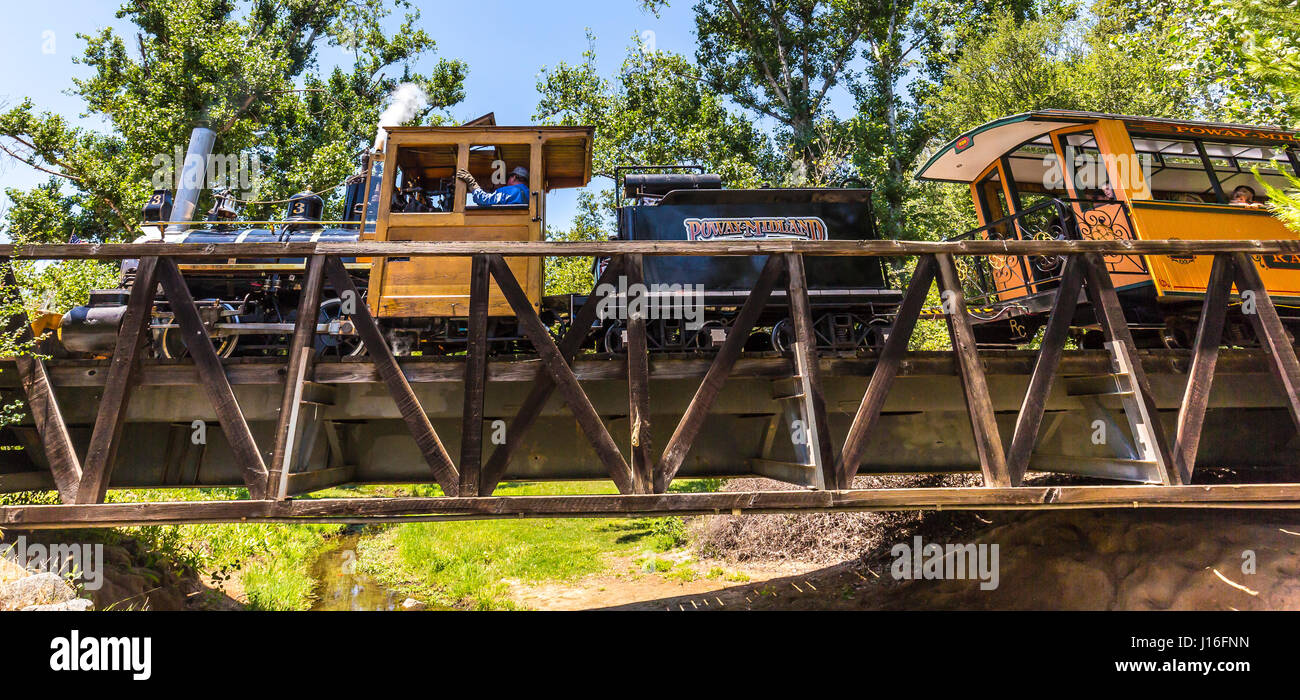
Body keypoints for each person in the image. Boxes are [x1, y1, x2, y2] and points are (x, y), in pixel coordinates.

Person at [455, 166, 529, 207]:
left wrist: (472, 184)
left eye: (508, 177)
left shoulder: (508, 191)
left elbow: (484, 200)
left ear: (514, 177)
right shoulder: (530, 194)